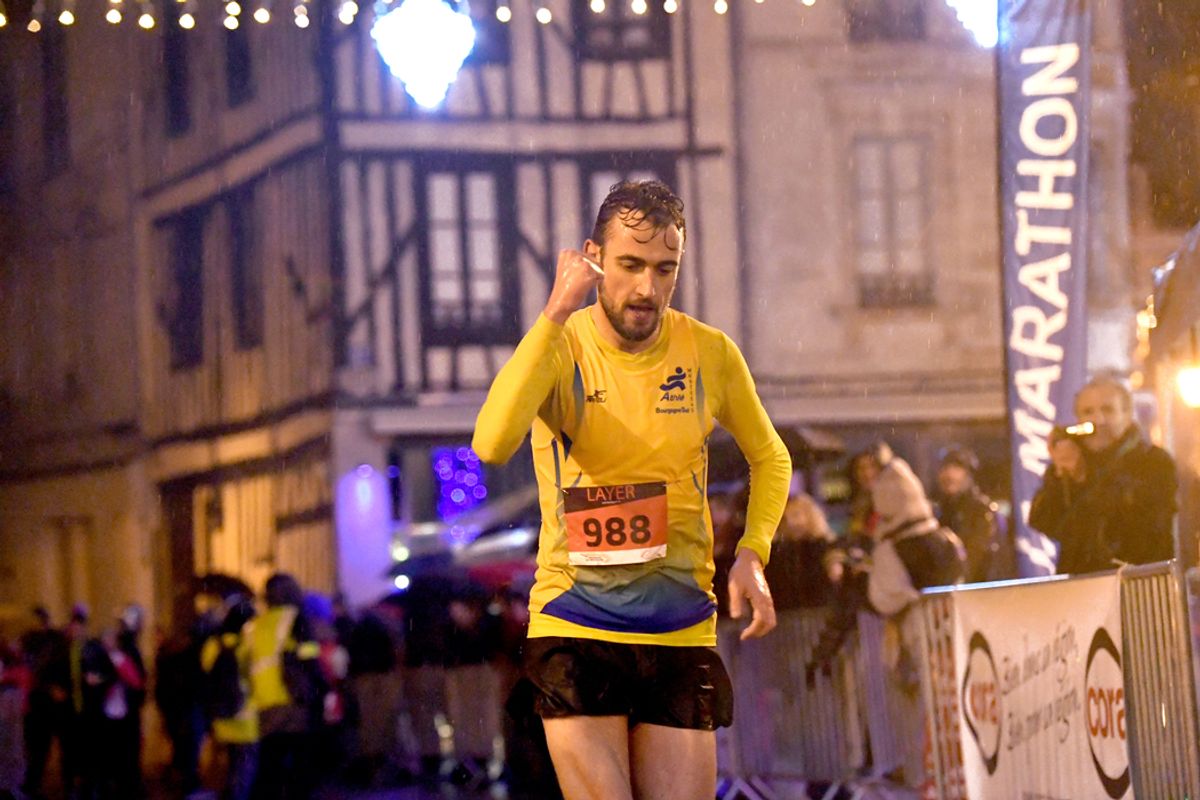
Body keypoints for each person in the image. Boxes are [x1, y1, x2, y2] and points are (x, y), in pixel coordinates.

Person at [472, 179, 792, 799]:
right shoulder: (558, 346)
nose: (647, 287)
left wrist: (754, 553)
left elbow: (770, 458)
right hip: (575, 624)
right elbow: (490, 443)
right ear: (593, 257)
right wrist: (554, 312)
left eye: (665, 269)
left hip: (678, 628)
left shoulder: (710, 354)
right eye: (630, 265)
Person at [1029, 375, 1178, 575]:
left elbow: (1140, 528)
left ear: (1126, 413)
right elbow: (1044, 521)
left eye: (1107, 410)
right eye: (1087, 412)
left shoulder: (1154, 461)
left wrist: (1084, 479)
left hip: (1140, 582)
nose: (1098, 420)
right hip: (1082, 587)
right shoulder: (1072, 460)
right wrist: (1062, 478)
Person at [932, 446, 1013, 583]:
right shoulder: (937, 513)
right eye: (945, 468)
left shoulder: (982, 511)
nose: (949, 474)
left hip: (980, 592)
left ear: (968, 475)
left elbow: (980, 559)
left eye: (956, 468)